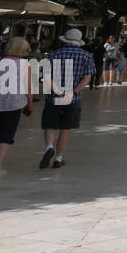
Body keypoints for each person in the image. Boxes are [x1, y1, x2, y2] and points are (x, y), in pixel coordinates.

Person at [38, 28, 96, 170]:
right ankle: (58, 158)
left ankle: (49, 147)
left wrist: (58, 91)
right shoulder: (86, 56)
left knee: (50, 125)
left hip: (53, 97)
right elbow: (87, 78)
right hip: (73, 99)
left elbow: (45, 77)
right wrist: (74, 92)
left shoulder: (53, 54)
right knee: (65, 128)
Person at [0, 37, 35, 174]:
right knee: (6, 134)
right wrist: (30, 104)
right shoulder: (25, 65)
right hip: (13, 104)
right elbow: (28, 88)